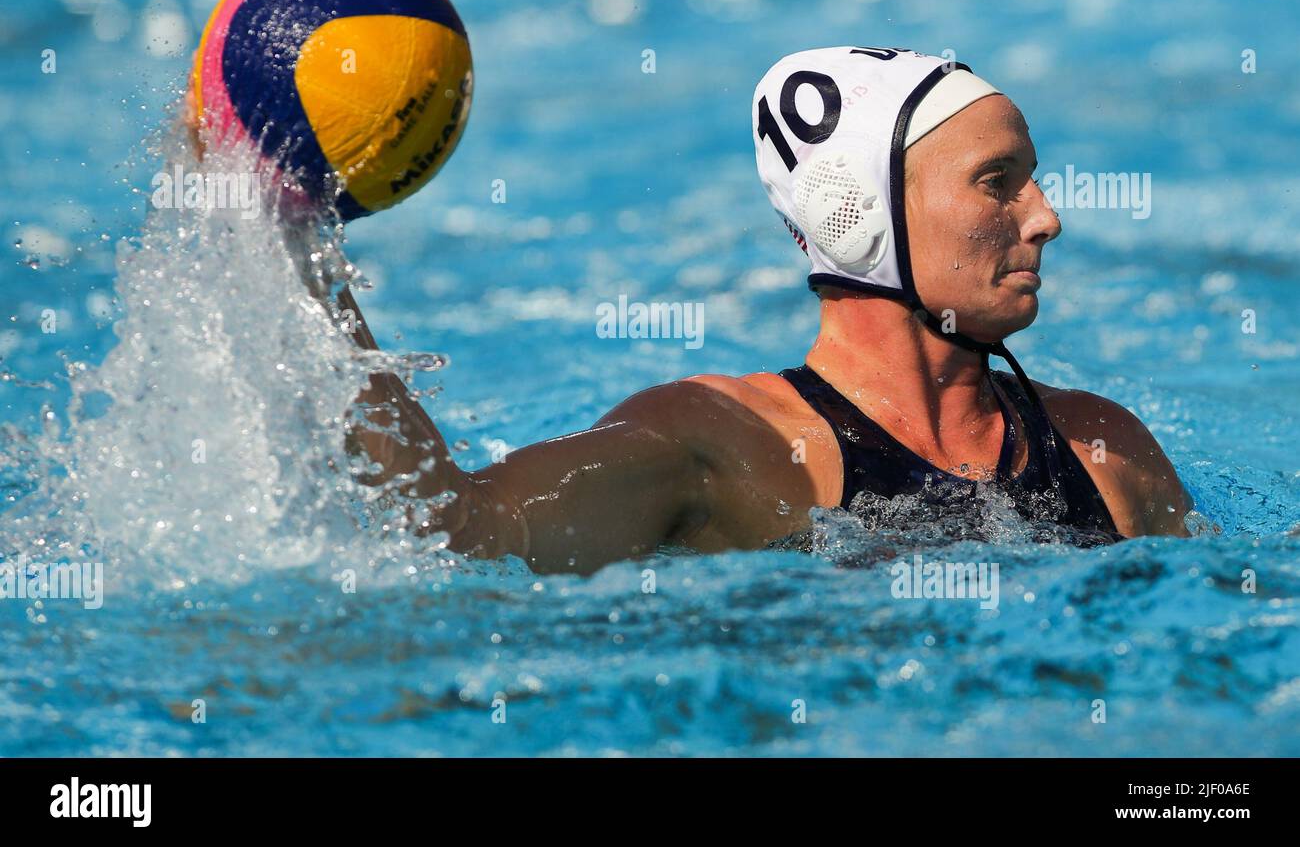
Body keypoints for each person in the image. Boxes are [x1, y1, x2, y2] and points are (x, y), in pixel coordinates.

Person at [339, 47, 1191, 574]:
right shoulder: (718, 442)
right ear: (861, 217)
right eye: (997, 182)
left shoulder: (1102, 449)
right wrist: (304, 258)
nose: (1047, 215)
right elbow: (456, 535)